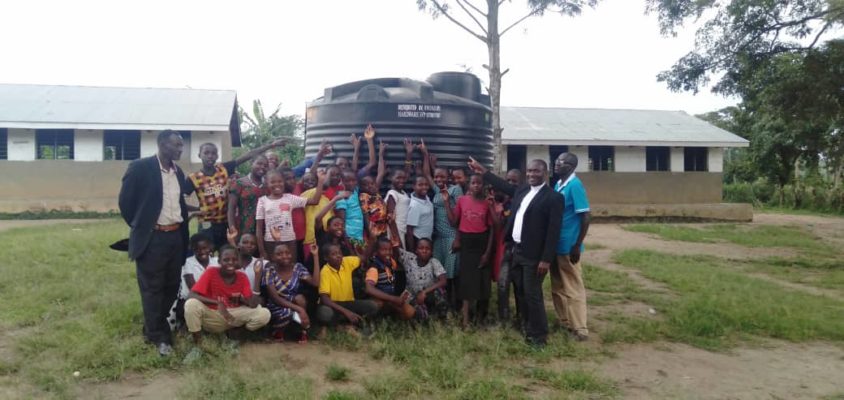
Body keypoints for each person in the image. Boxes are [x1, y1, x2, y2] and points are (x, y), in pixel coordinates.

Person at [468, 157, 563, 347]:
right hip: (516, 251)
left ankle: (539, 336)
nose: (531, 174)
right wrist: (483, 171)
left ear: (545, 173)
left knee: (533, 295)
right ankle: (527, 326)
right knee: (520, 293)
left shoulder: (553, 198)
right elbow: (503, 185)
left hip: (534, 256)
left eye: (536, 171)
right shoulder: (523, 190)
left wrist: (546, 259)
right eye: (529, 171)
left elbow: (553, 232)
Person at [118, 129, 190, 356]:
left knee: (171, 286)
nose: (180, 149)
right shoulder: (141, 167)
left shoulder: (178, 172)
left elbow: (179, 204)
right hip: (153, 238)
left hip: (175, 237)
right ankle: (159, 337)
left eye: (181, 146)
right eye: (175, 145)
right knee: (152, 288)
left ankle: (152, 327)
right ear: (161, 144)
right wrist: (144, 226)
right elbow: (126, 204)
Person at [185, 139, 287, 249]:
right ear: (199, 155)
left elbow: (250, 154)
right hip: (207, 225)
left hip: (225, 223)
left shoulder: (223, 169)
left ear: (217, 156)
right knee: (206, 253)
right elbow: (179, 199)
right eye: (206, 153)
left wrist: (271, 145)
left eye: (213, 153)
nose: (210, 156)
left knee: (226, 252)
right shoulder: (193, 178)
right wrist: (196, 209)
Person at [184, 245, 271, 346]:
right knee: (191, 304)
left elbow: (253, 304)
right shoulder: (211, 272)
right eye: (226, 260)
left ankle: (235, 333)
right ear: (219, 261)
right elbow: (191, 295)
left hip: (233, 315)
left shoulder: (242, 277)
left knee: (264, 314)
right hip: (213, 313)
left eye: (234, 259)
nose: (230, 263)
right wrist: (218, 302)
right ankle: (198, 344)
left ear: (238, 261)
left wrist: (257, 276)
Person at [443, 174, 497, 328]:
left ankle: (481, 318)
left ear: (483, 186)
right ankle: (465, 320)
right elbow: (455, 221)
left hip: (482, 243)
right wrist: (446, 202)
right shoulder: (462, 201)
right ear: (469, 185)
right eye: (473, 183)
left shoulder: (487, 203)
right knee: (466, 281)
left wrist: (487, 252)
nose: (476, 186)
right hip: (466, 243)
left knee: (482, 281)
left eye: (479, 183)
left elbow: (492, 228)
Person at [552, 152, 592, 341]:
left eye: (561, 162)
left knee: (573, 286)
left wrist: (577, 244)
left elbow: (585, 216)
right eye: (556, 161)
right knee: (558, 286)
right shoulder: (559, 184)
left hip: (569, 246)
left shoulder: (575, 186)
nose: (556, 164)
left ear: (571, 166)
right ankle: (564, 321)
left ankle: (580, 328)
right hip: (555, 245)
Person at [256, 169, 325, 263]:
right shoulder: (262, 201)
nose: (277, 184)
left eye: (280, 181)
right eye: (272, 182)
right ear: (267, 184)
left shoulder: (290, 198)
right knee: (274, 269)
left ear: (283, 182)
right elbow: (259, 228)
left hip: (290, 241)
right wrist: (262, 251)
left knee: (291, 267)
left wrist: (320, 181)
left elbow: (315, 201)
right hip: (271, 242)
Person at [262, 243, 321, 342]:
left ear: (291, 254)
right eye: (279, 254)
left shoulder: (298, 268)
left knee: (300, 299)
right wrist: (300, 310)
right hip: (276, 305)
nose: (284, 256)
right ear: (273, 257)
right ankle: (276, 332)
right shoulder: (269, 271)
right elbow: (275, 298)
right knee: (288, 313)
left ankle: (302, 332)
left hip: (294, 302)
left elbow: (315, 283)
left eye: (287, 253)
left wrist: (315, 256)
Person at [315, 243, 379, 334]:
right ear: (326, 258)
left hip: (348, 303)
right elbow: (325, 299)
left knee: (373, 306)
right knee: (325, 312)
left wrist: (373, 239)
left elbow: (364, 258)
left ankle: (346, 326)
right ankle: (341, 326)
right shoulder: (325, 271)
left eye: (339, 253)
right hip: (334, 305)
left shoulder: (346, 262)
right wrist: (346, 312)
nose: (338, 256)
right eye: (333, 254)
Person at [395, 237, 448, 320]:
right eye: (421, 248)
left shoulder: (434, 262)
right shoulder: (409, 259)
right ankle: (424, 317)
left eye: (427, 249)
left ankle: (441, 318)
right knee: (418, 316)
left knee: (440, 292)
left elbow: (443, 281)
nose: (424, 251)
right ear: (416, 250)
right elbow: (396, 247)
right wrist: (392, 225)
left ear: (431, 252)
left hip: (428, 294)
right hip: (411, 296)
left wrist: (424, 292)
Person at [494, 169, 522, 324]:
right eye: (508, 181)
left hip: (519, 249)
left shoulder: (522, 200)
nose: (510, 184)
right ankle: (503, 319)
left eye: (514, 181)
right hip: (505, 248)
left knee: (519, 285)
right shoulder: (501, 201)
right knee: (503, 283)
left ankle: (520, 317)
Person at [363, 236, 415, 320]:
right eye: (384, 250)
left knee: (410, 312)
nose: (387, 252)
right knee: (378, 304)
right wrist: (393, 298)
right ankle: (374, 321)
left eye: (389, 249)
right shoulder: (374, 268)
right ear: (376, 252)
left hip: (390, 298)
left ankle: (393, 318)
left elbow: (396, 252)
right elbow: (368, 288)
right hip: (380, 299)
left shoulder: (391, 262)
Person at [173, 233, 217, 328]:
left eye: (205, 248)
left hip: (211, 298)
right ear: (192, 249)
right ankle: (186, 323)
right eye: (197, 249)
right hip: (191, 299)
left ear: (210, 247)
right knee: (190, 306)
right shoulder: (188, 263)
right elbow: (194, 289)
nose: (202, 251)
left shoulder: (216, 262)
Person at [227, 156, 270, 239]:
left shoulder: (267, 185)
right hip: (244, 228)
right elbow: (231, 208)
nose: (262, 167)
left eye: (265, 166)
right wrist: (232, 229)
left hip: (264, 228)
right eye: (259, 163)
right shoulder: (239, 183)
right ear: (251, 163)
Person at [359, 140, 389, 242]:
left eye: (371, 183)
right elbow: (366, 215)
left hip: (383, 229)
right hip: (374, 232)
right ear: (362, 188)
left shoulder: (375, 192)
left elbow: (380, 173)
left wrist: (381, 154)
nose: (370, 186)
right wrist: (370, 232)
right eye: (366, 185)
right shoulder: (364, 197)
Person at [406, 176, 434, 252]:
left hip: (427, 240)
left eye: (426, 184)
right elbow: (409, 230)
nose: (424, 187)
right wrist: (412, 251)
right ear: (414, 186)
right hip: (418, 241)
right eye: (420, 185)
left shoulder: (426, 198)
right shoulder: (415, 205)